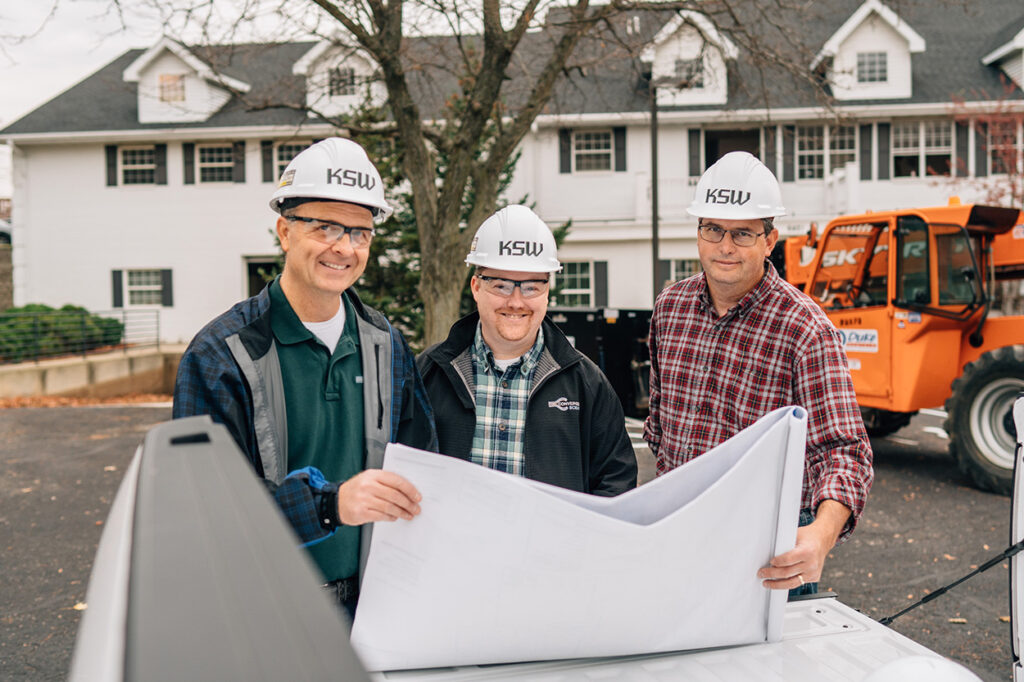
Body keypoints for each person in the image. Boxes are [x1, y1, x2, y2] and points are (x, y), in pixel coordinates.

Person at [173, 137, 437, 616]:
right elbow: (204, 510)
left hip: (376, 604)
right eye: (325, 227)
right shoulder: (220, 355)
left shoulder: (385, 343)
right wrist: (329, 506)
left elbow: (421, 468)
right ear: (285, 231)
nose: (344, 248)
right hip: (269, 611)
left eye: (359, 233)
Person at [642, 152, 873, 594]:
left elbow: (845, 451)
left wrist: (820, 538)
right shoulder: (669, 309)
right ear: (698, 233)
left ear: (770, 241)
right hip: (675, 538)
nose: (725, 247)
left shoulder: (805, 330)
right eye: (713, 229)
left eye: (743, 233)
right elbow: (660, 427)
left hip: (764, 557)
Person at [417, 205, 636, 495]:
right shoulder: (428, 374)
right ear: (476, 287)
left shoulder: (586, 384)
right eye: (501, 286)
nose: (516, 302)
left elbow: (615, 483)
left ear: (547, 292)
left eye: (532, 287)